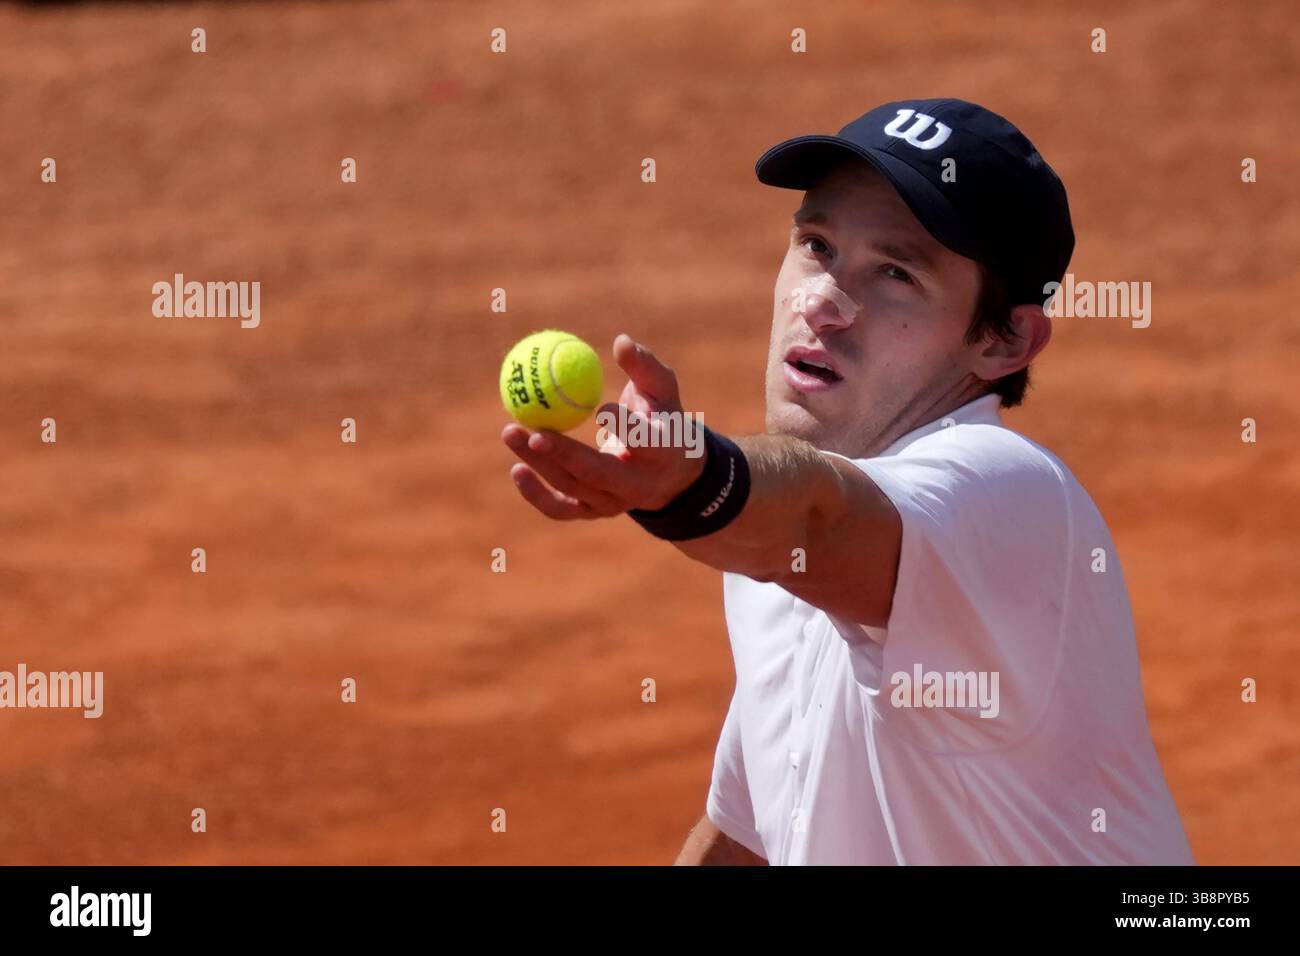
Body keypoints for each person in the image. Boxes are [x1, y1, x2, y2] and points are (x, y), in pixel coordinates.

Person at [501, 98, 1193, 865]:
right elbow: (754, 832)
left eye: (895, 272)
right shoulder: (766, 555)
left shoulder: (1010, 495)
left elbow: (818, 518)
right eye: (817, 245)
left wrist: (692, 482)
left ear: (1004, 340)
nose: (821, 301)